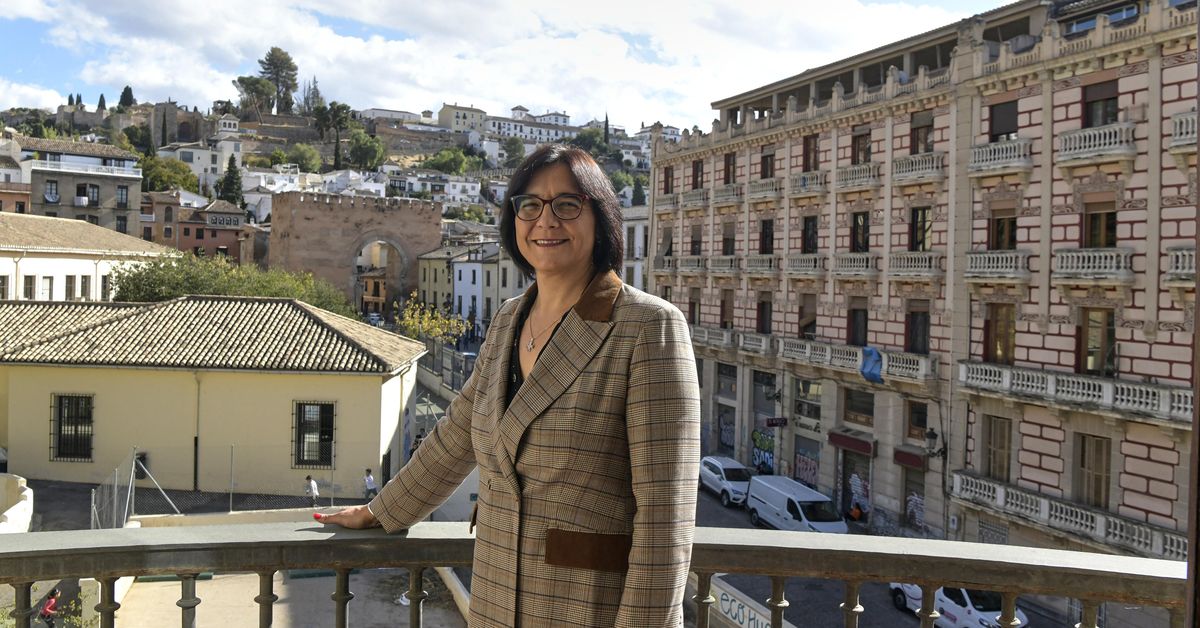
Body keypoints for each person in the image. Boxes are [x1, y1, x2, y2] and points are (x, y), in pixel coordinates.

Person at [317, 144, 701, 627]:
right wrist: (382, 511)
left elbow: (666, 520)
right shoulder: (507, 320)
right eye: (530, 205)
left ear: (600, 216)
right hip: (495, 599)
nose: (546, 221)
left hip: (586, 609)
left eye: (567, 204)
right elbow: (457, 435)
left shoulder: (648, 326)